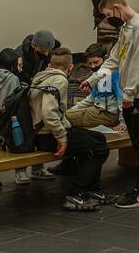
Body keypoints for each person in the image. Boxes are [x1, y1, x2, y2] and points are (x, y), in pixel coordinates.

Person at [82, 0, 139, 209]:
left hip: (138, 97)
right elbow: (115, 58)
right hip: (130, 95)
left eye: (108, 14)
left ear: (116, 7)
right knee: (136, 143)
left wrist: (130, 94)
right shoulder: (127, 28)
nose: (108, 19)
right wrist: (94, 78)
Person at [25, 47, 109, 211]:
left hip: (38, 134)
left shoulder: (39, 77)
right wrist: (61, 137)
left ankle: (91, 189)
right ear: (70, 68)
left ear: (50, 64)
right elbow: (48, 112)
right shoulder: (60, 80)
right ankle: (76, 193)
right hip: (48, 136)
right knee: (100, 149)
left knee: (99, 138)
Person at [66, 43, 122, 130]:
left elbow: (121, 98)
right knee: (66, 114)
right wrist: (73, 109)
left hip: (108, 115)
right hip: (97, 110)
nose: (93, 66)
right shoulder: (96, 76)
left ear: (105, 58)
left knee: (64, 117)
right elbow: (91, 98)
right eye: (90, 63)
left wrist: (122, 122)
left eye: (96, 62)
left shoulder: (113, 75)